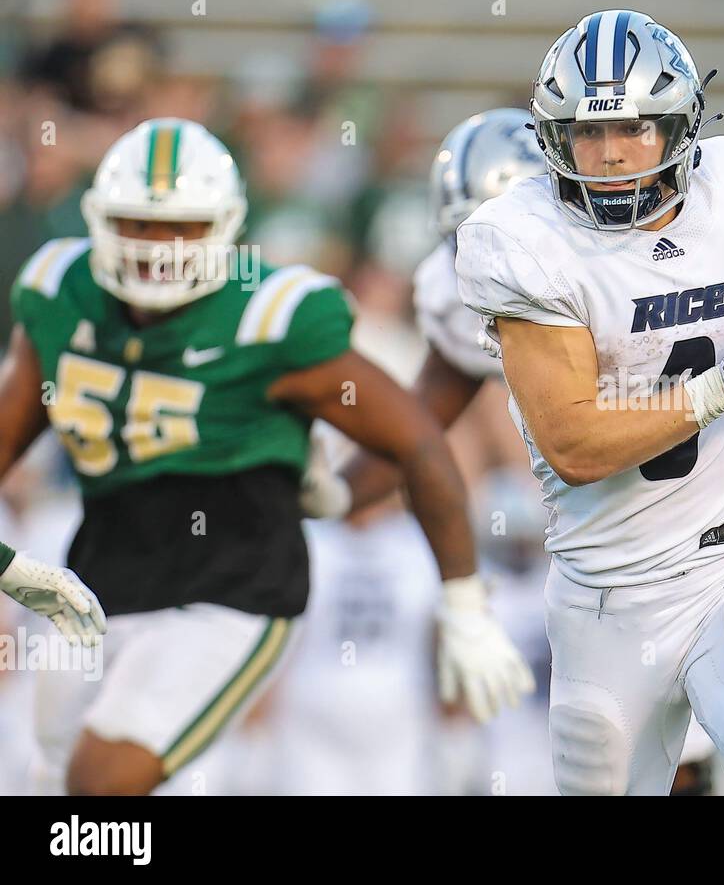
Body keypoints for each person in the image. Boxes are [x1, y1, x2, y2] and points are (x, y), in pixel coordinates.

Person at [1, 117, 531, 795]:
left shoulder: (271, 318)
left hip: (234, 592)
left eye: (183, 227)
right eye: (139, 223)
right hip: (102, 578)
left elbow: (415, 440)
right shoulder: (58, 293)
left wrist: (463, 599)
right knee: (48, 788)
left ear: (225, 226)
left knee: (100, 786)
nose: (160, 247)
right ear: (99, 219)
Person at [455, 10, 724, 795]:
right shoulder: (521, 240)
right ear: (553, 139)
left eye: (632, 129)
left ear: (679, 127)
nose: (611, 153)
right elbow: (575, 445)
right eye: (587, 134)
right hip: (603, 596)